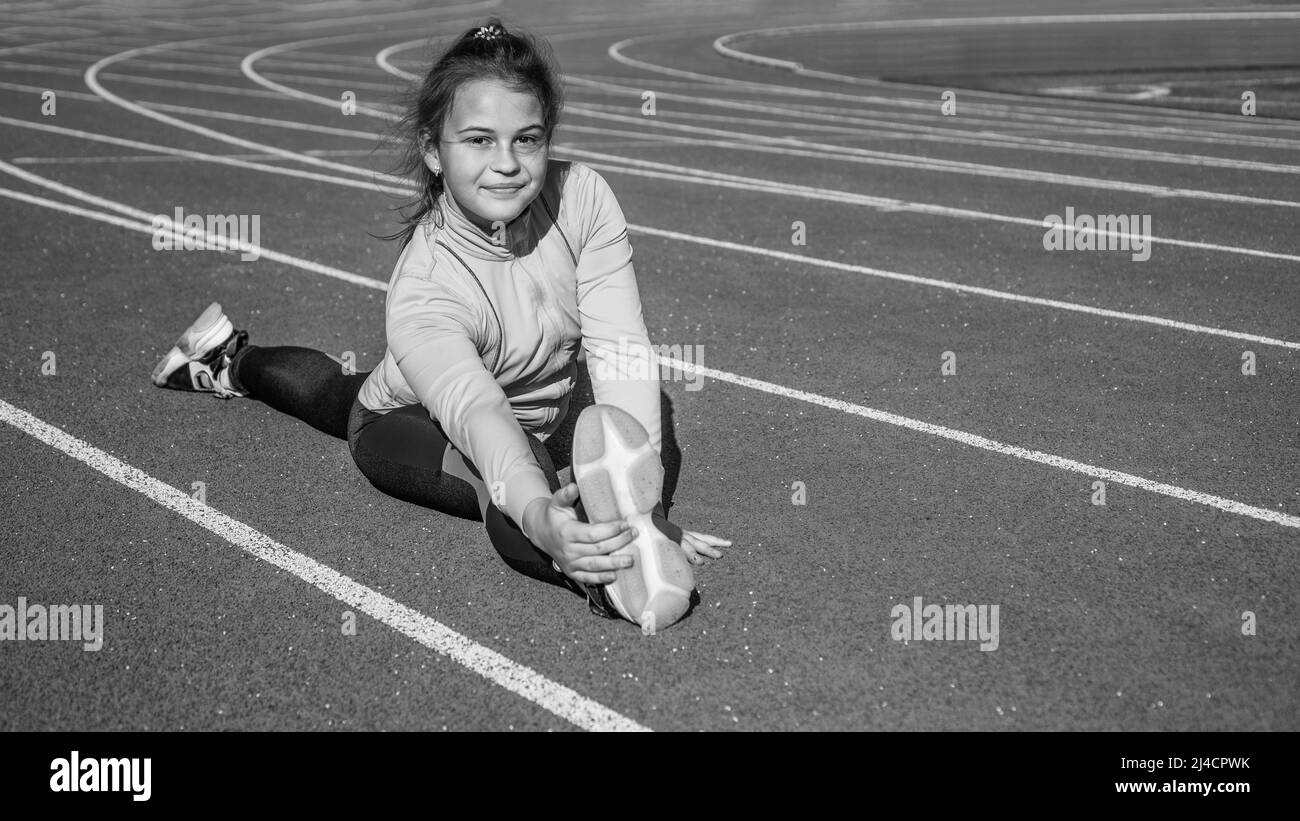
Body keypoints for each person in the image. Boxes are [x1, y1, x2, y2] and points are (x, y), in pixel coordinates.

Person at [150, 19, 729, 631]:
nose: (506, 163)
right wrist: (547, 525)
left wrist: (645, 510)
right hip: (409, 419)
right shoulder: (422, 289)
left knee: (343, 393)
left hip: (484, 393)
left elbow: (620, 350)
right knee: (505, 465)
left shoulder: (583, 199)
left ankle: (229, 357)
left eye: (526, 139)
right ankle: (597, 578)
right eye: (478, 140)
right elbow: (482, 418)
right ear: (433, 149)